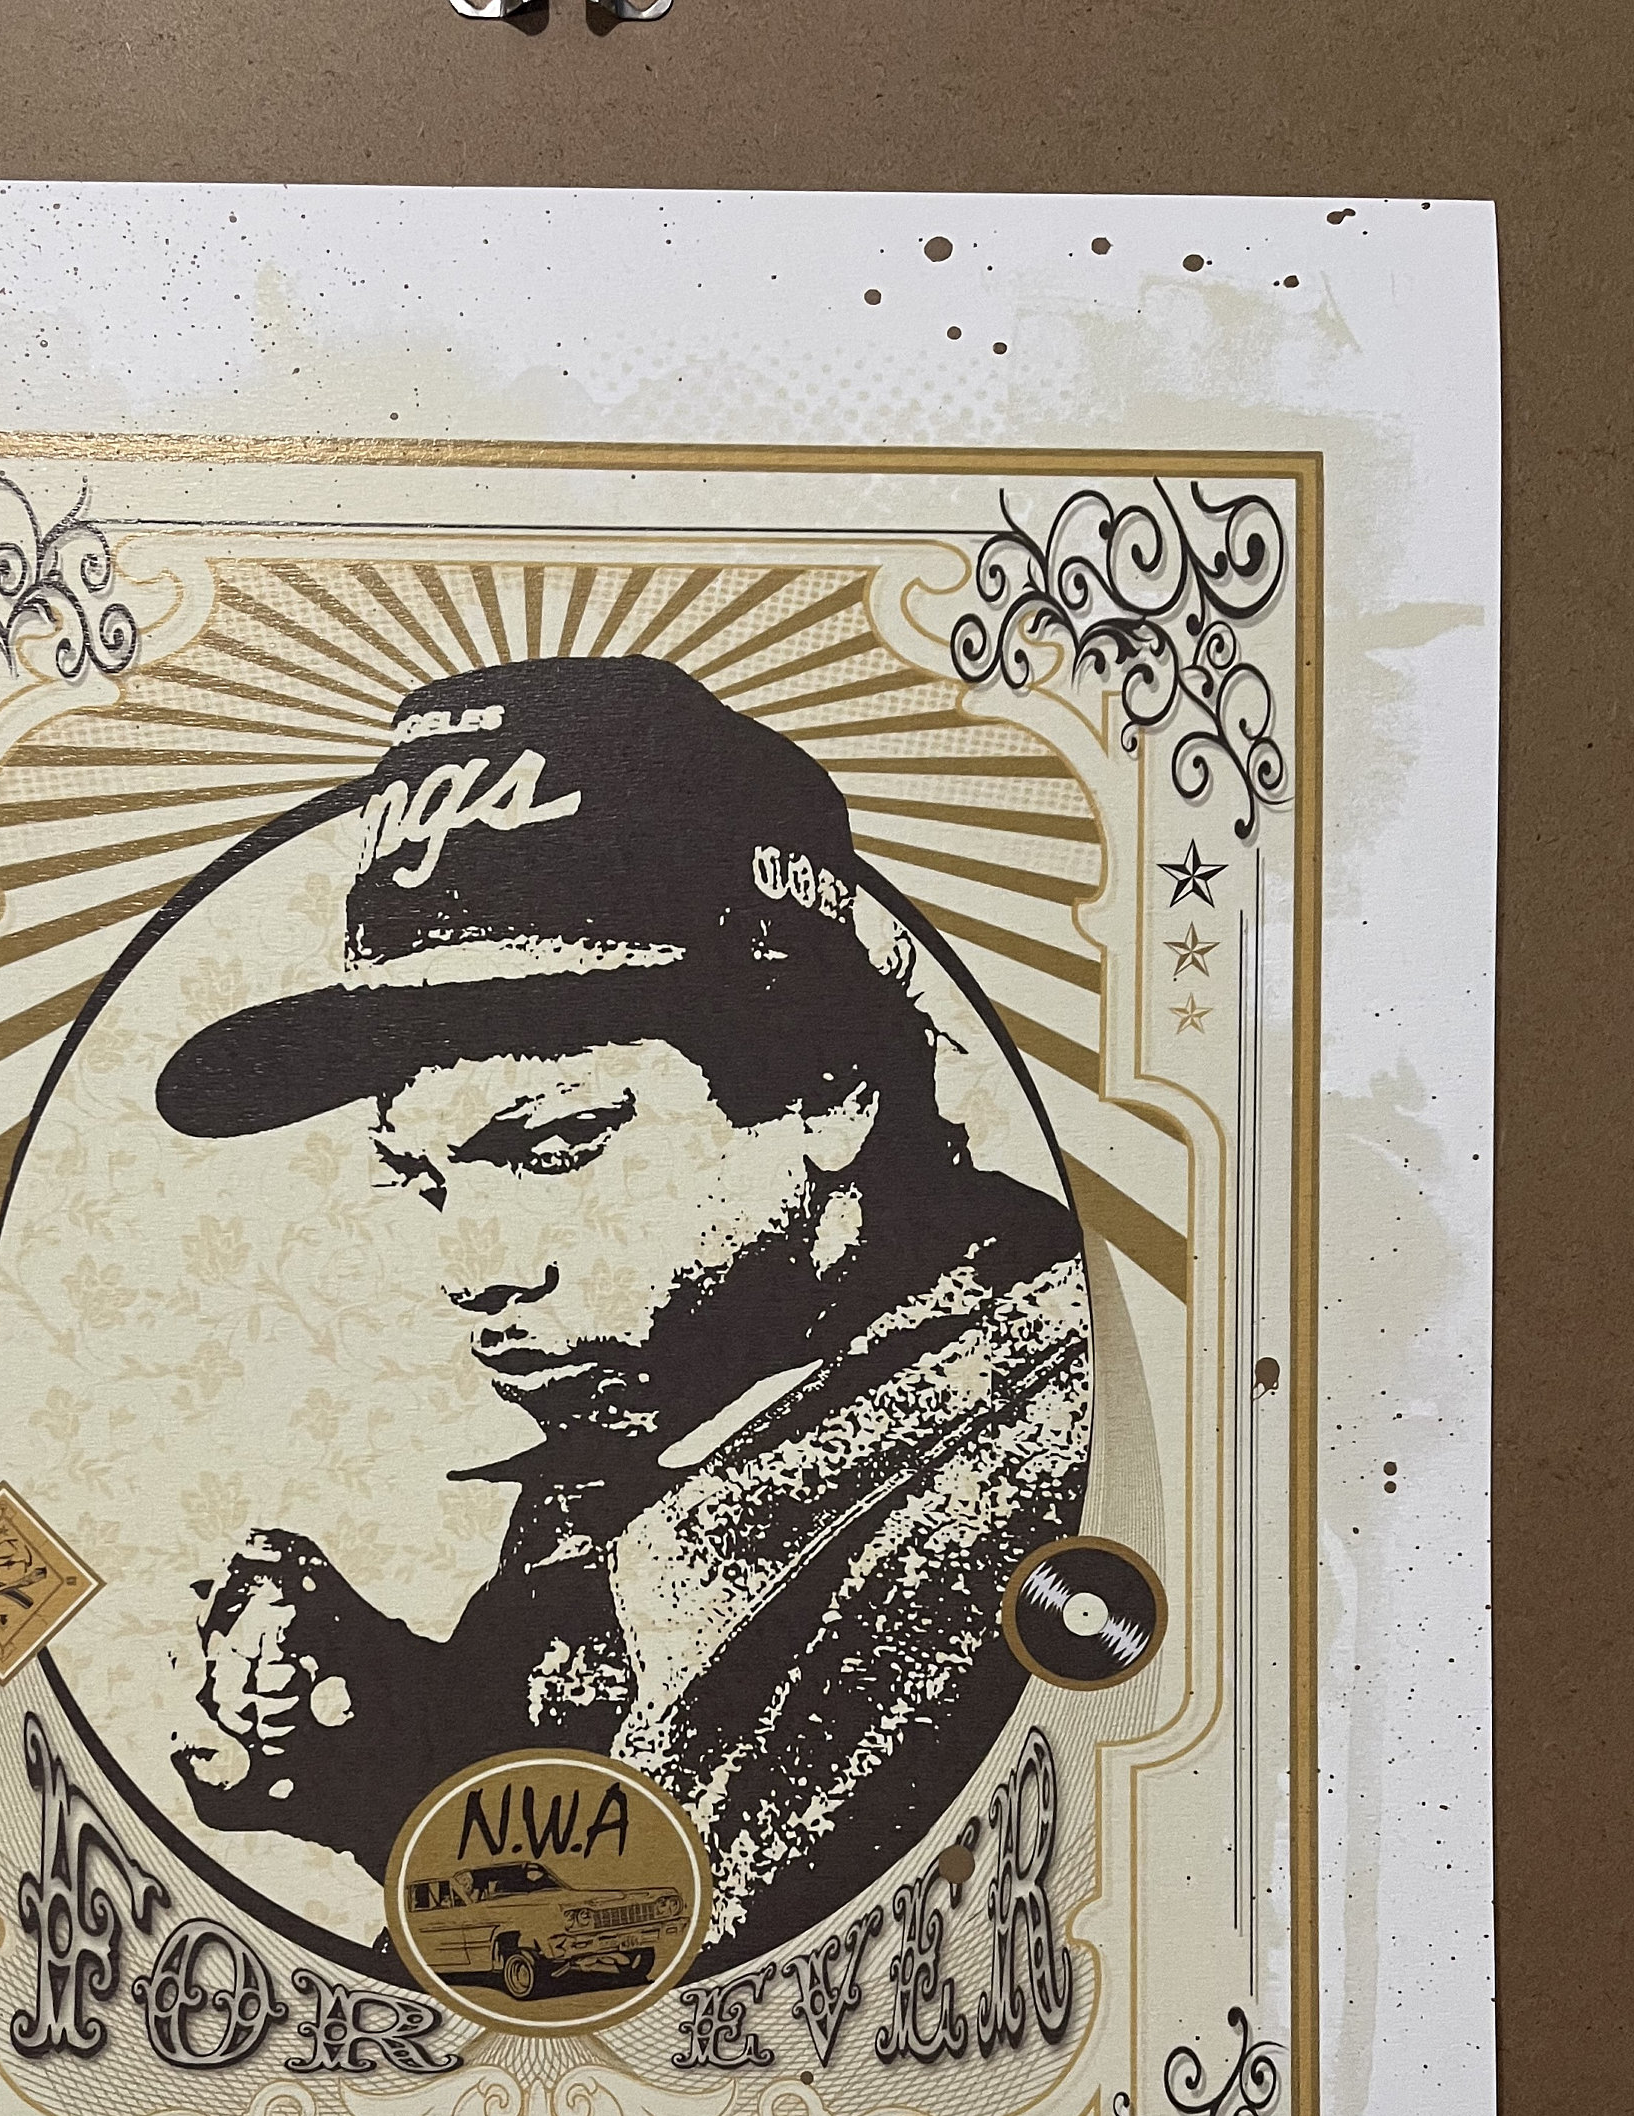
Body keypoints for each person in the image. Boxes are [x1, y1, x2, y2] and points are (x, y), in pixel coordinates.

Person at [152, 652, 1090, 1968]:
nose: (474, 1269)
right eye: (423, 1179)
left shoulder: (1013, 1473)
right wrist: (385, 1747)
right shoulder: (698, 1399)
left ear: (826, 1092)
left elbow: (639, 1987)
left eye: (554, 1149)